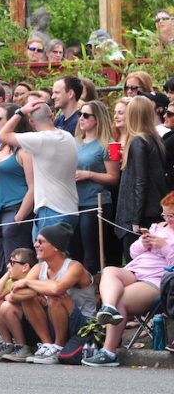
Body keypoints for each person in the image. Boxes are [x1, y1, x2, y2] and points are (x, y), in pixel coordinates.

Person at [84, 191, 174, 366]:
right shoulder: (158, 227)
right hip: (135, 269)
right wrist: (143, 243)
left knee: (122, 299)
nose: (167, 219)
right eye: (164, 214)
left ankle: (108, 353)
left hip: (156, 279)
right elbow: (132, 252)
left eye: (171, 215)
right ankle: (108, 308)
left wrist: (165, 247)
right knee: (109, 270)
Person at [0, 223, 95, 365]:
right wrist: (38, 291)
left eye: (41, 241)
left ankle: (58, 346)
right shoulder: (38, 267)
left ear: (55, 246)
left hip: (83, 325)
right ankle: (48, 345)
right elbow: (15, 295)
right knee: (29, 299)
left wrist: (29, 283)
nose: (36, 244)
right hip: (55, 321)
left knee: (55, 297)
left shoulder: (75, 267)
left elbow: (57, 289)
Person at [0, 97, 78, 237]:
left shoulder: (39, 140)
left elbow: (2, 135)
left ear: (31, 122)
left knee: (47, 257)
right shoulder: (67, 136)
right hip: (70, 208)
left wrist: (20, 111)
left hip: (51, 209)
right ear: (52, 116)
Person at [115, 96, 168, 260]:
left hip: (139, 214)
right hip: (151, 210)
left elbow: (141, 181)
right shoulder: (154, 139)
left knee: (137, 261)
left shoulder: (138, 141)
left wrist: (135, 219)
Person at [0, 103, 34, 274]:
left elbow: (33, 186)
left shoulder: (24, 149)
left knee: (16, 267)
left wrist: (18, 218)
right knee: (2, 266)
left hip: (15, 209)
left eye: (0, 118)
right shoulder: (2, 147)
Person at [72, 100, 119, 273]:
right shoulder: (75, 141)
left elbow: (114, 177)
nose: (81, 118)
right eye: (79, 114)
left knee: (92, 253)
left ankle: (95, 291)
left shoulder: (107, 143)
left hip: (95, 203)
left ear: (97, 119)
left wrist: (89, 174)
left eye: (86, 115)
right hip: (73, 202)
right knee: (73, 250)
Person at [0, 246, 36, 361]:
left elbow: (14, 297)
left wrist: (8, 296)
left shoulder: (32, 278)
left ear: (25, 267)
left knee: (6, 306)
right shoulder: (13, 281)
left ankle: (22, 347)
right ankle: (8, 344)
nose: (8, 265)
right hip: (21, 324)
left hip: (34, 328)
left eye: (12, 263)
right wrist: (7, 274)